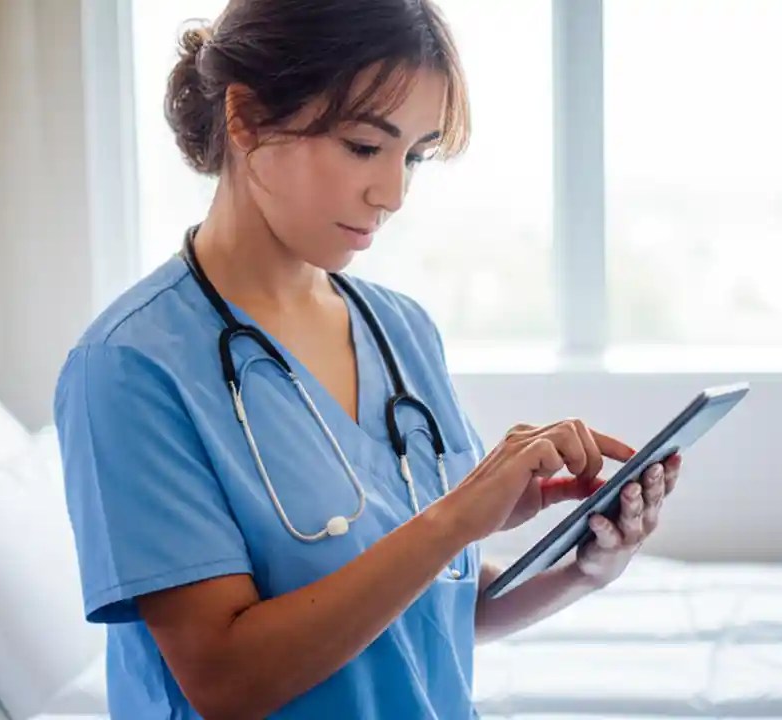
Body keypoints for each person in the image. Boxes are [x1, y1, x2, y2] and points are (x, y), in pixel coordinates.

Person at [53, 1, 684, 717]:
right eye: (363, 147)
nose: (393, 194)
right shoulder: (130, 367)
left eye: (413, 156)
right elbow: (228, 679)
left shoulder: (401, 330)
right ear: (248, 118)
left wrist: (584, 570)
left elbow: (428, 610)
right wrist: (455, 518)